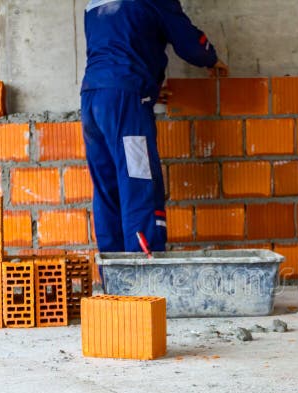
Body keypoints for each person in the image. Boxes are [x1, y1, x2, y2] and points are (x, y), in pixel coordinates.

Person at [81, 0, 229, 253]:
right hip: (126, 104)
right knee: (139, 184)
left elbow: (115, 48)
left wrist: (145, 86)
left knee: (108, 191)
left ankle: (115, 281)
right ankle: (144, 281)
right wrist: (212, 59)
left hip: (93, 99)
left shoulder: (93, 3)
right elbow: (188, 42)